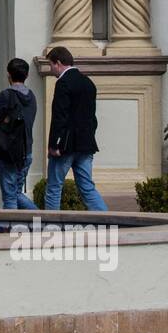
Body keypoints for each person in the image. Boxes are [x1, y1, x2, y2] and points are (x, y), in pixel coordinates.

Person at [44, 46, 108, 211]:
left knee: (54, 188)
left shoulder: (63, 83)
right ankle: (106, 221)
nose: (51, 70)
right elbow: (91, 118)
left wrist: (54, 145)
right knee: (87, 187)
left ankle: (51, 227)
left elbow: (60, 117)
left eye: (51, 65)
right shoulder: (88, 83)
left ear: (58, 63)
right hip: (86, 145)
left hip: (65, 146)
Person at [0, 57, 37, 210]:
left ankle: (11, 230)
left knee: (10, 196)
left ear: (8, 75)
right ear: (27, 75)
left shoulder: (7, 95)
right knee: (16, 192)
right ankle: (41, 218)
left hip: (10, 151)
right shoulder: (32, 97)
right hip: (26, 151)